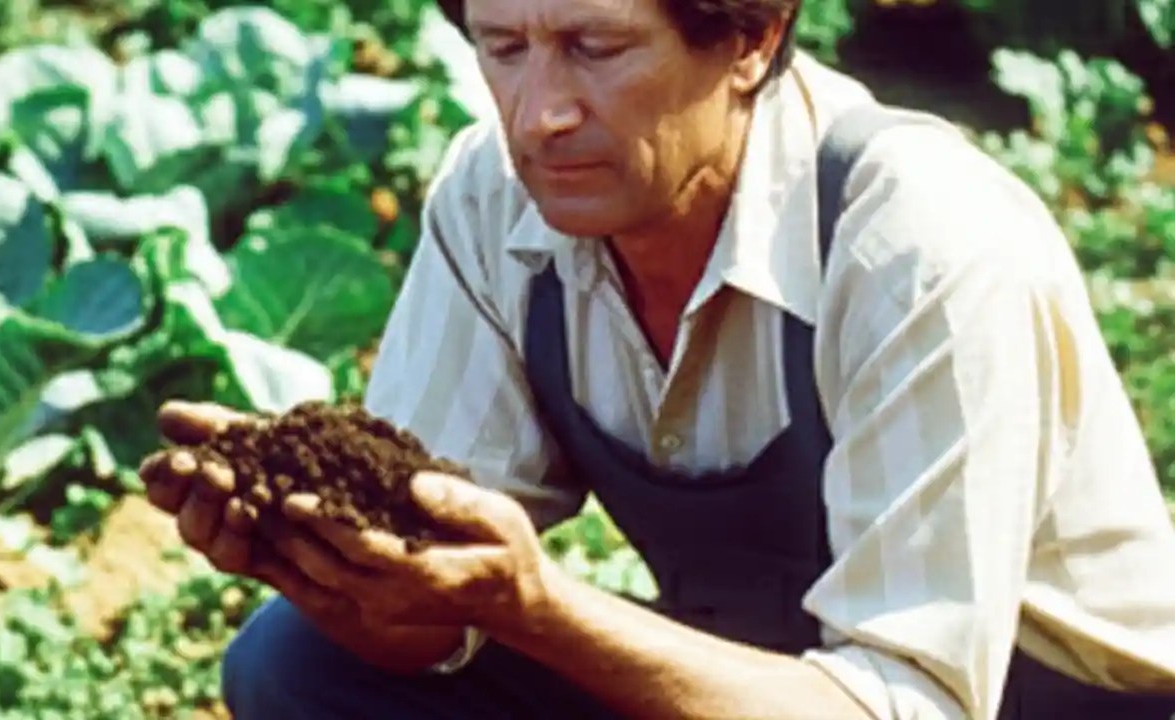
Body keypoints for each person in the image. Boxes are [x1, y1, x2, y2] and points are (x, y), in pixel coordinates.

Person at [138, 0, 1175, 717]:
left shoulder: (913, 238)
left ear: (750, 40)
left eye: (595, 46)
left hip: (1038, 703)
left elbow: (909, 706)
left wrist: (536, 607)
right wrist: (344, 568)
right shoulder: (495, 197)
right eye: (502, 47)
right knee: (299, 663)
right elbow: (431, 587)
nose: (537, 114)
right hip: (763, 682)